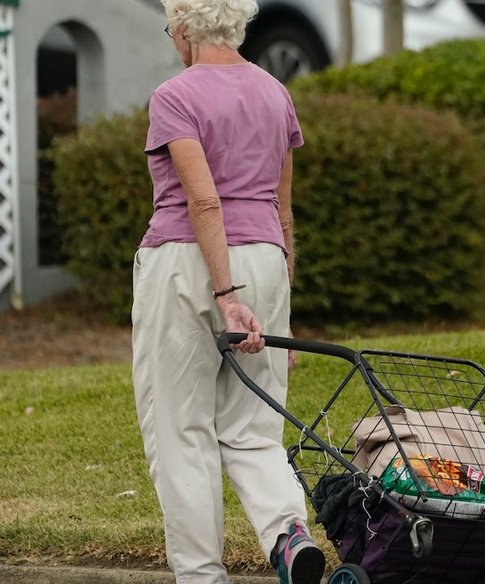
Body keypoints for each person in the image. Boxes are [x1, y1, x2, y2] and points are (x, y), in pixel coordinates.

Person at [131, 1, 325, 583]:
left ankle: (201, 576)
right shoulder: (275, 93)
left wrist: (226, 295)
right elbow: (283, 212)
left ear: (185, 24)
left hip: (189, 265)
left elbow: (204, 201)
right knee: (255, 427)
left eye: (170, 27)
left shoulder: (175, 96)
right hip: (266, 259)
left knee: (182, 431)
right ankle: (288, 537)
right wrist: (277, 309)